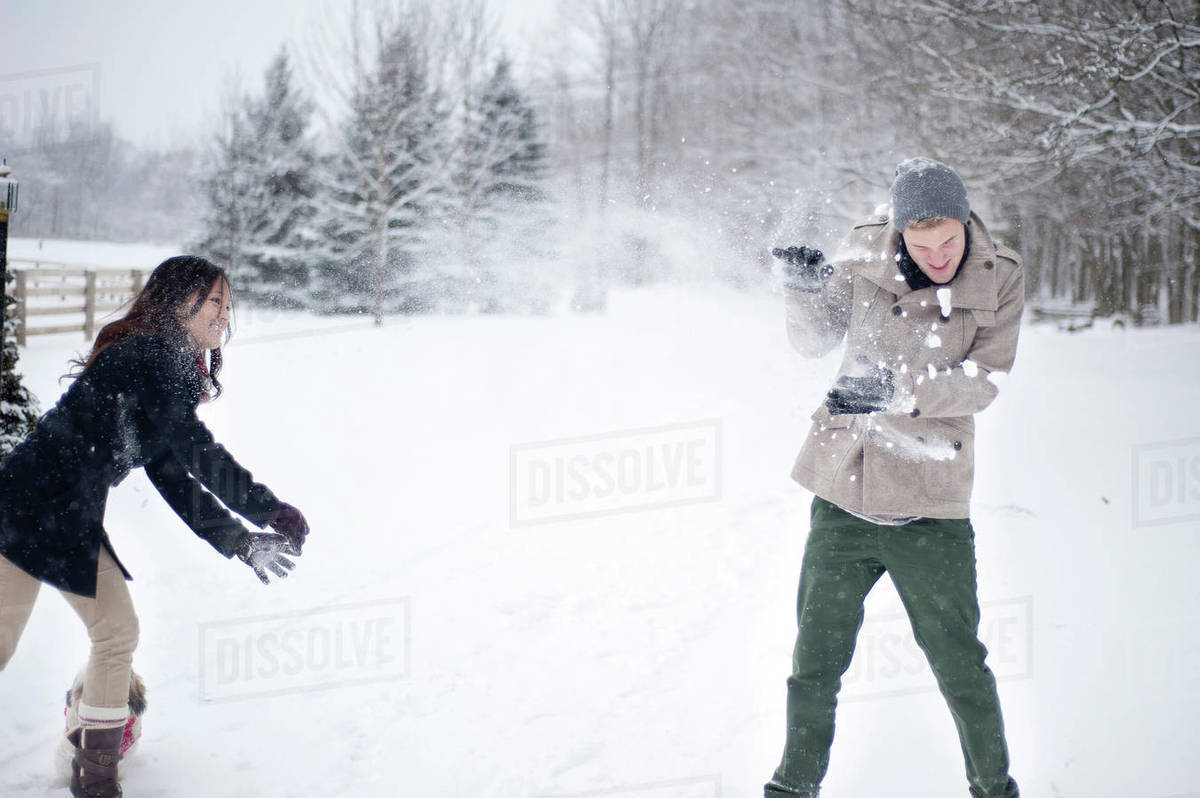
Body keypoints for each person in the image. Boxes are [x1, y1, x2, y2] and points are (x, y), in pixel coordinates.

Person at [0, 255, 310, 798]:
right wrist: (266, 508)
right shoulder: (150, 354)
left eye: (228, 304)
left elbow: (174, 477)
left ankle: (95, 778)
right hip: (22, 506)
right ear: (177, 300)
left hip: (68, 517)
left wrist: (239, 540)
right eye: (214, 300)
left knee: (116, 631)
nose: (223, 314)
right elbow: (196, 450)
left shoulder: (160, 365)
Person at [764, 158, 1023, 798]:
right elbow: (812, 341)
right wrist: (801, 289)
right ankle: (792, 788)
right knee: (813, 666)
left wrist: (900, 390)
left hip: (931, 504)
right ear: (900, 230)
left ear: (965, 224)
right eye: (921, 243)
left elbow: (987, 380)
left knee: (960, 665)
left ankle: (995, 789)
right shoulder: (862, 254)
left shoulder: (1001, 277)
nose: (937, 255)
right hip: (843, 491)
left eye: (949, 242)